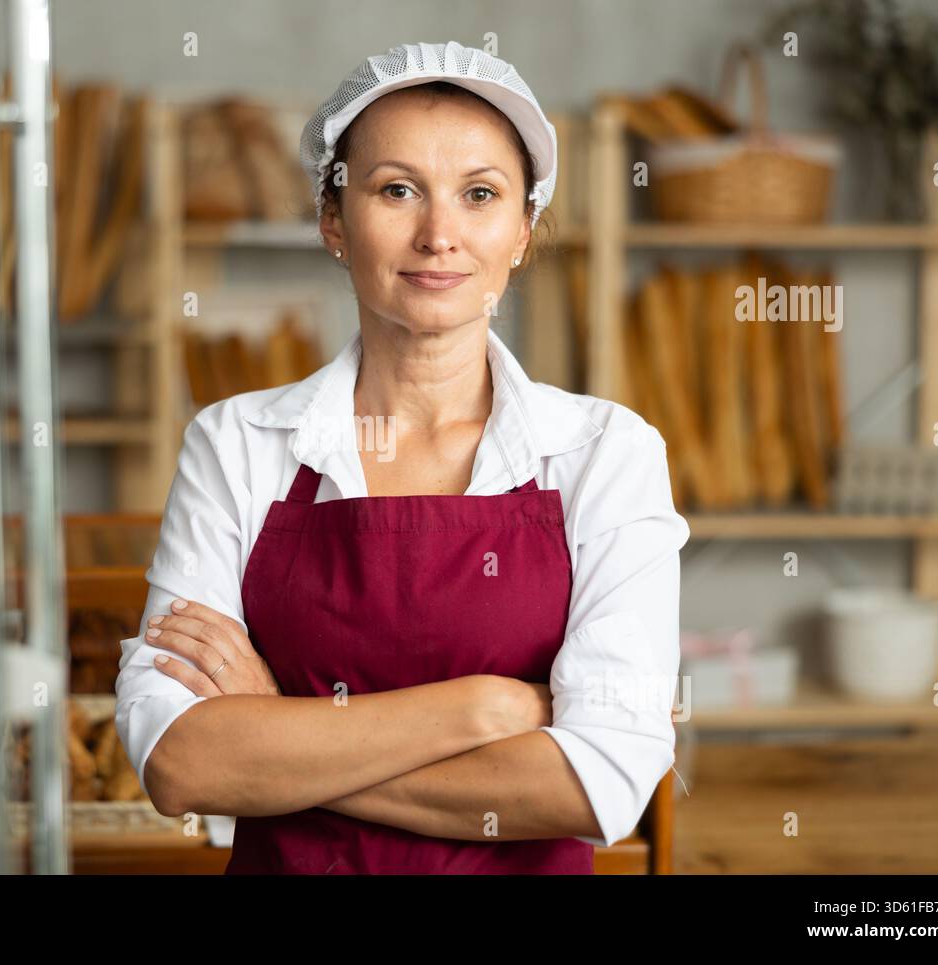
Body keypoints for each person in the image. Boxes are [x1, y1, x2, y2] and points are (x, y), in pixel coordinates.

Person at [115, 40, 690, 874]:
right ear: (333, 222)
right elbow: (182, 762)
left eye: (480, 195)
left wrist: (279, 726)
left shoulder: (606, 453)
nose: (438, 235)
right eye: (396, 190)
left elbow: (598, 781)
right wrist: (484, 709)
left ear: (523, 232)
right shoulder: (236, 443)